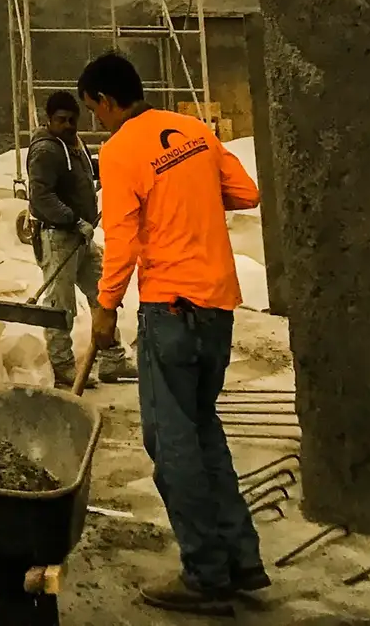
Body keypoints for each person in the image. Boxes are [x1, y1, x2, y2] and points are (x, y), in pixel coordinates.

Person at [78, 51, 268, 617]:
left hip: (170, 311)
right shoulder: (193, 130)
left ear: (107, 102)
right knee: (204, 429)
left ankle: (206, 576)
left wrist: (106, 305)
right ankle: (240, 561)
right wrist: (191, 194)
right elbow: (247, 193)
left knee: (172, 443)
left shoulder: (119, 151)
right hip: (218, 307)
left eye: (95, 111)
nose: (97, 121)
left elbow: (122, 238)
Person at [26, 89, 133, 388]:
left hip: (81, 236)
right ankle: (62, 367)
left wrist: (110, 166)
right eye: (61, 120)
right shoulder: (46, 151)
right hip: (58, 236)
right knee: (61, 305)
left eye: (73, 119)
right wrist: (73, 219)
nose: (68, 125)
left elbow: (84, 172)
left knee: (103, 293)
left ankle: (113, 359)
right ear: (49, 119)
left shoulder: (74, 143)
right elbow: (41, 197)